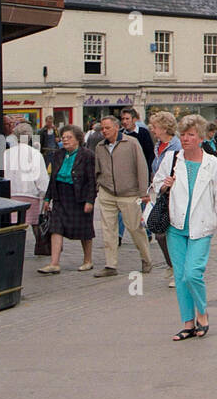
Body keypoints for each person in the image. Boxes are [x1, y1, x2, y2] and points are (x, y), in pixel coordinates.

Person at [151, 115, 217, 340]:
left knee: (192, 273)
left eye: (191, 135)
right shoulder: (172, 159)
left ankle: (202, 312)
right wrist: (164, 185)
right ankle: (187, 322)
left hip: (201, 226)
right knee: (180, 276)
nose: (185, 139)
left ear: (200, 137)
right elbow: (155, 184)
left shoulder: (212, 164)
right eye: (183, 134)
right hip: (175, 226)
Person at [92, 115, 152, 278]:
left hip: (129, 193)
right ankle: (110, 265)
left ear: (116, 127)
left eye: (107, 128)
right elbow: (97, 168)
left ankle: (146, 259)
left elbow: (141, 167)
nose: (104, 131)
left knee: (134, 228)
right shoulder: (99, 146)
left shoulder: (131, 143)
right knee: (108, 230)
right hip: (107, 192)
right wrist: (99, 185)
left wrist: (143, 192)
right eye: (102, 128)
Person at [38, 126, 97, 273]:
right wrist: (47, 198)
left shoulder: (87, 155)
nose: (65, 140)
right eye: (63, 137)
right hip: (60, 195)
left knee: (85, 229)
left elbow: (92, 180)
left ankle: (87, 260)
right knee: (55, 228)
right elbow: (52, 178)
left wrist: (90, 200)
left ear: (78, 139)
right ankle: (54, 263)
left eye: (69, 137)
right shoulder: (58, 154)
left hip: (79, 196)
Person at [147, 111, 181, 286]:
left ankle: (177, 268)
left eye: (155, 127)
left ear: (165, 128)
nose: (153, 130)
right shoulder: (158, 145)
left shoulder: (176, 146)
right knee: (159, 232)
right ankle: (172, 264)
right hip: (162, 192)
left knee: (169, 232)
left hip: (175, 194)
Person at [4, 122, 50, 230]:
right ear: (30, 136)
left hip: (12, 196)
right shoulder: (35, 154)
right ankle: (39, 246)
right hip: (31, 196)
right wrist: (45, 196)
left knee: (14, 228)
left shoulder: (6, 154)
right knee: (37, 228)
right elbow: (41, 179)